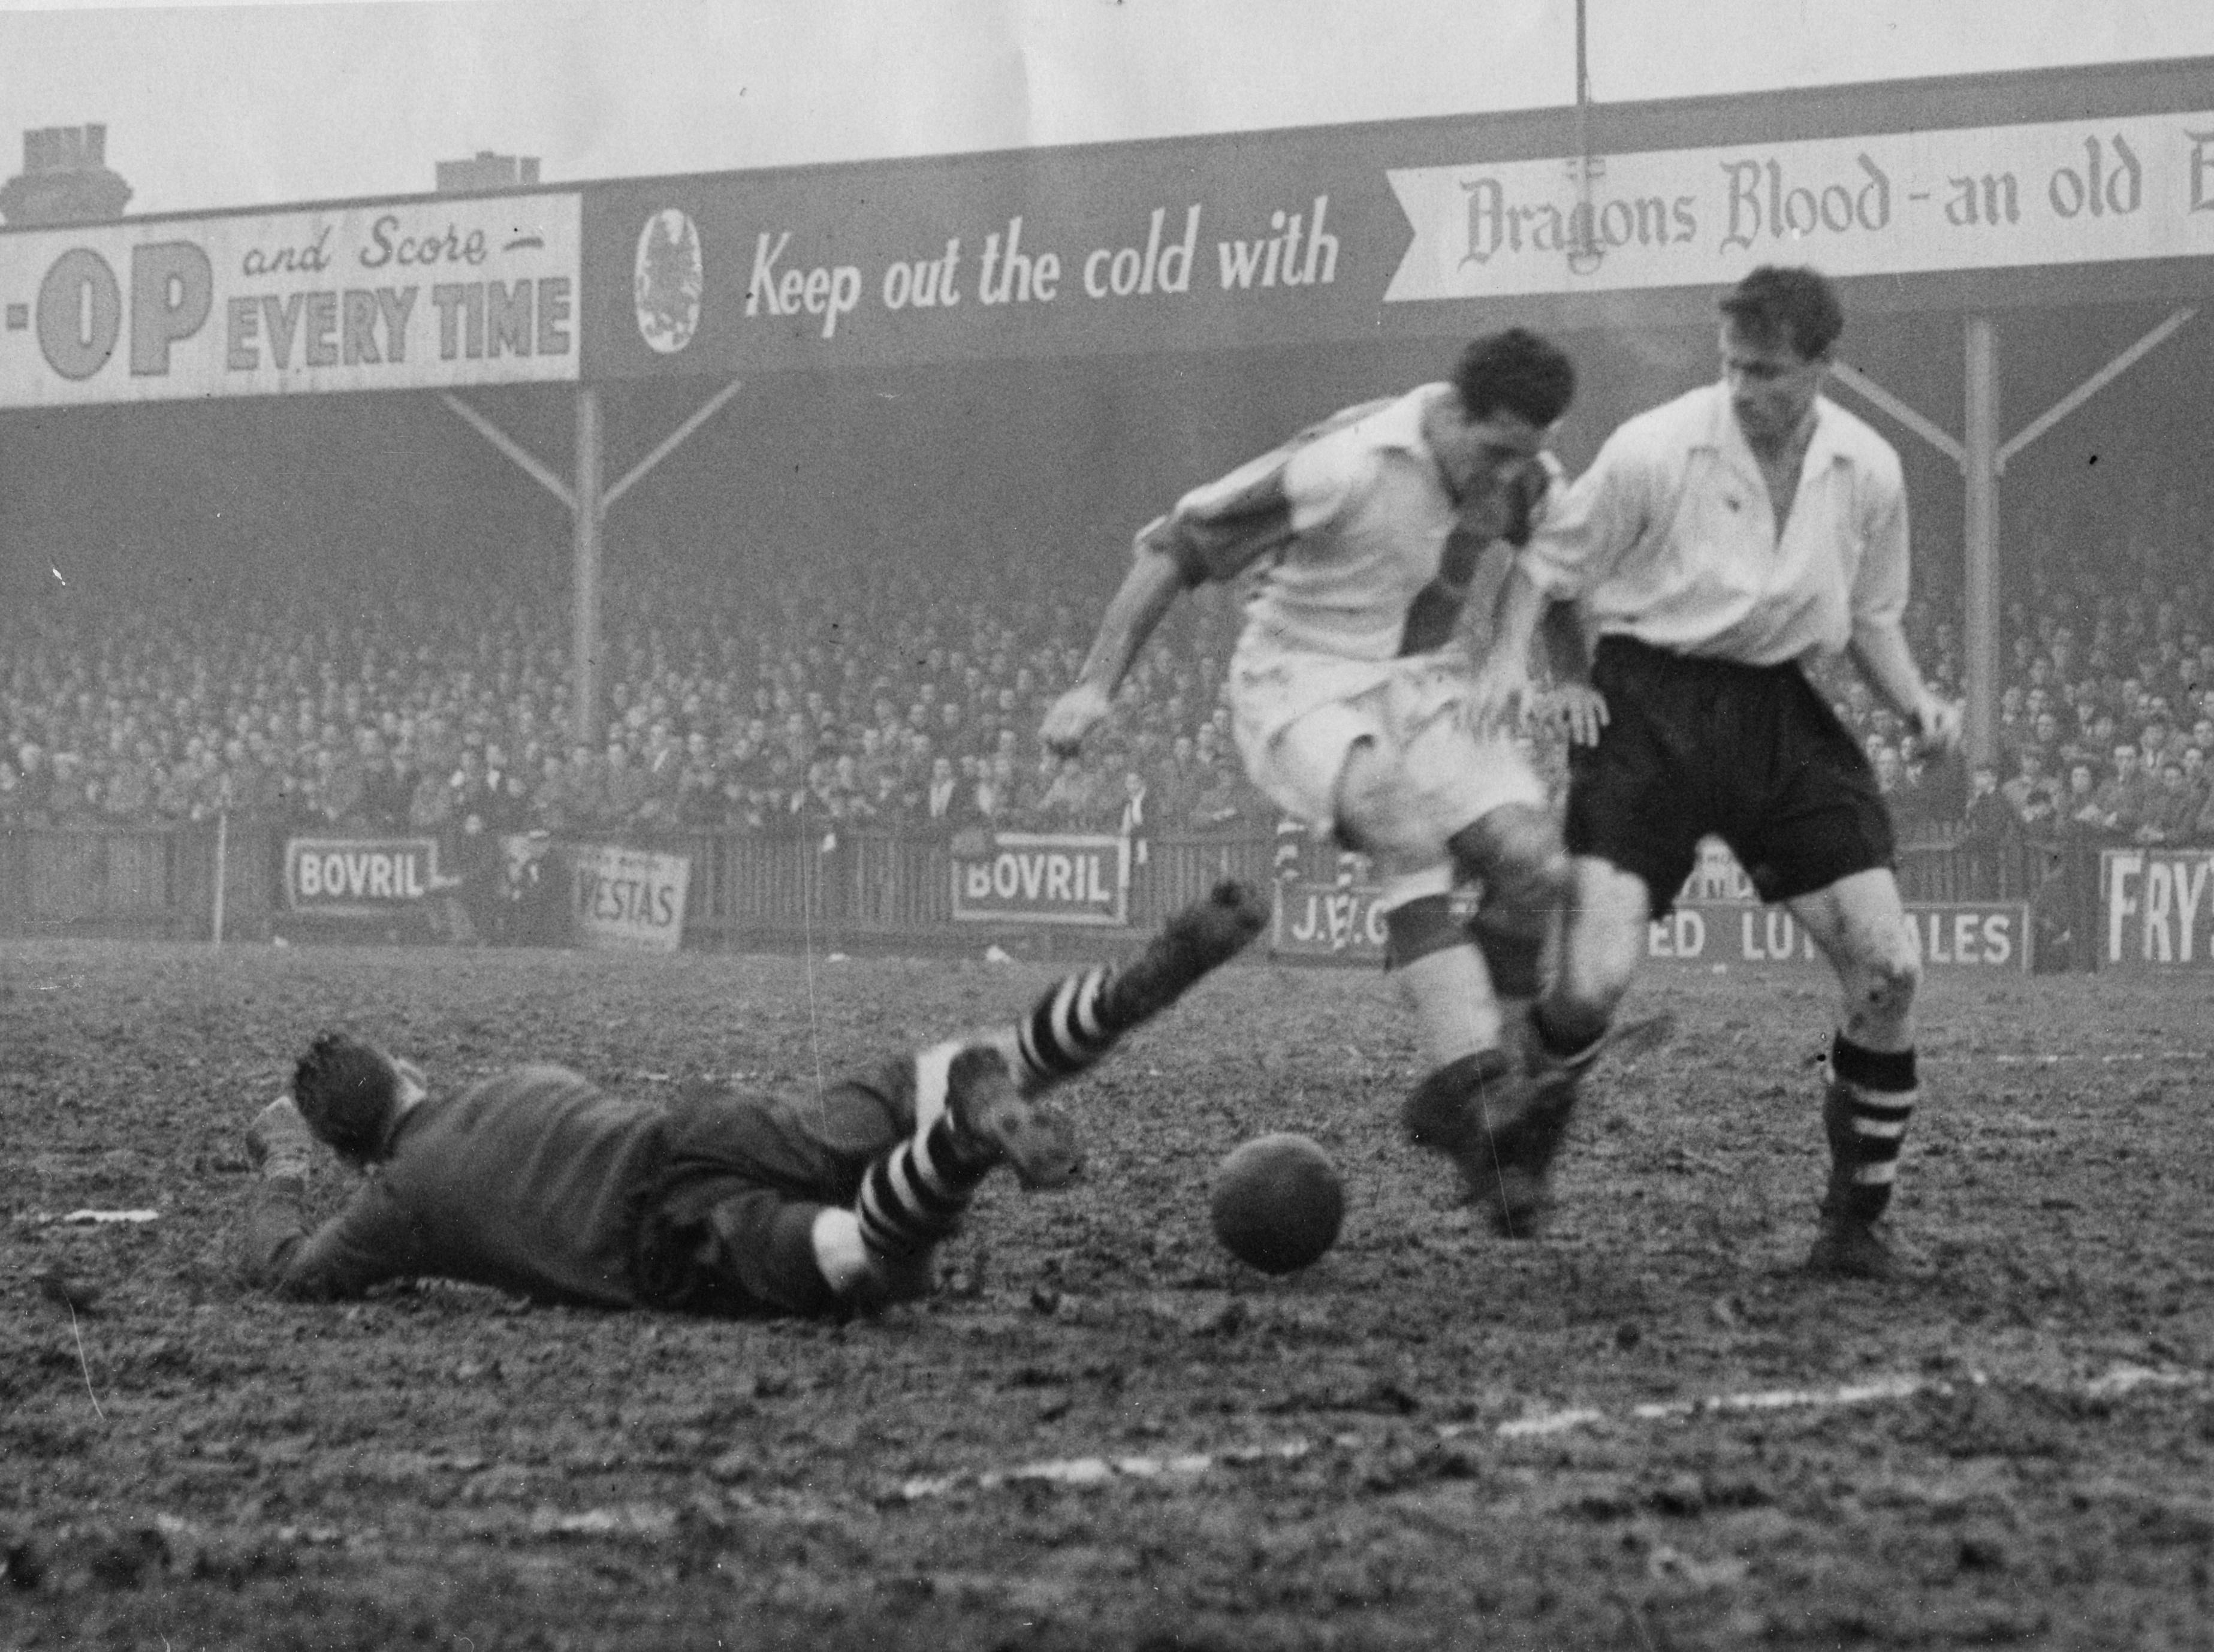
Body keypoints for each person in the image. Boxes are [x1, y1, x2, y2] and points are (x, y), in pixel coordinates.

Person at [1040, 329, 1583, 1234]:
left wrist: (1553, 669)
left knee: (1536, 866)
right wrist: (1095, 685)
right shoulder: (1346, 464)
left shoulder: (1525, 476)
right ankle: (1484, 1095)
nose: (1503, 478)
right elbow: (1175, 546)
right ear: (1450, 412)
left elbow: (1555, 568)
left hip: (1424, 683)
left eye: (1522, 456)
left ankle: (1470, 1102)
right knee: (1396, 819)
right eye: (1491, 451)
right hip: (1299, 676)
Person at [1486, 266, 1964, 1279]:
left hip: (1777, 713)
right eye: (1733, 366)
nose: (1746, 389)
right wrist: (1520, 669)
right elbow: (1545, 567)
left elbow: (1872, 620)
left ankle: (1855, 1222)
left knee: (1887, 970)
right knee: (1595, 983)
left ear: (1823, 366)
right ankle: (1532, 1119)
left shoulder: (1867, 468)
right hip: (1646, 706)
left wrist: (1916, 702)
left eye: (1769, 371)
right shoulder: (1655, 448)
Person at [239, 882, 1267, 1316]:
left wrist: (284, 1166)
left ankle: (959, 1148)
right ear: (410, 1073)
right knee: (913, 1077)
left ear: (351, 1154)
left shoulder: (397, 1200)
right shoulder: (512, 1083)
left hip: (665, 1236)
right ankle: (1116, 1001)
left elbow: (292, 1274)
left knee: (859, 1258)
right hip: (684, 1130)